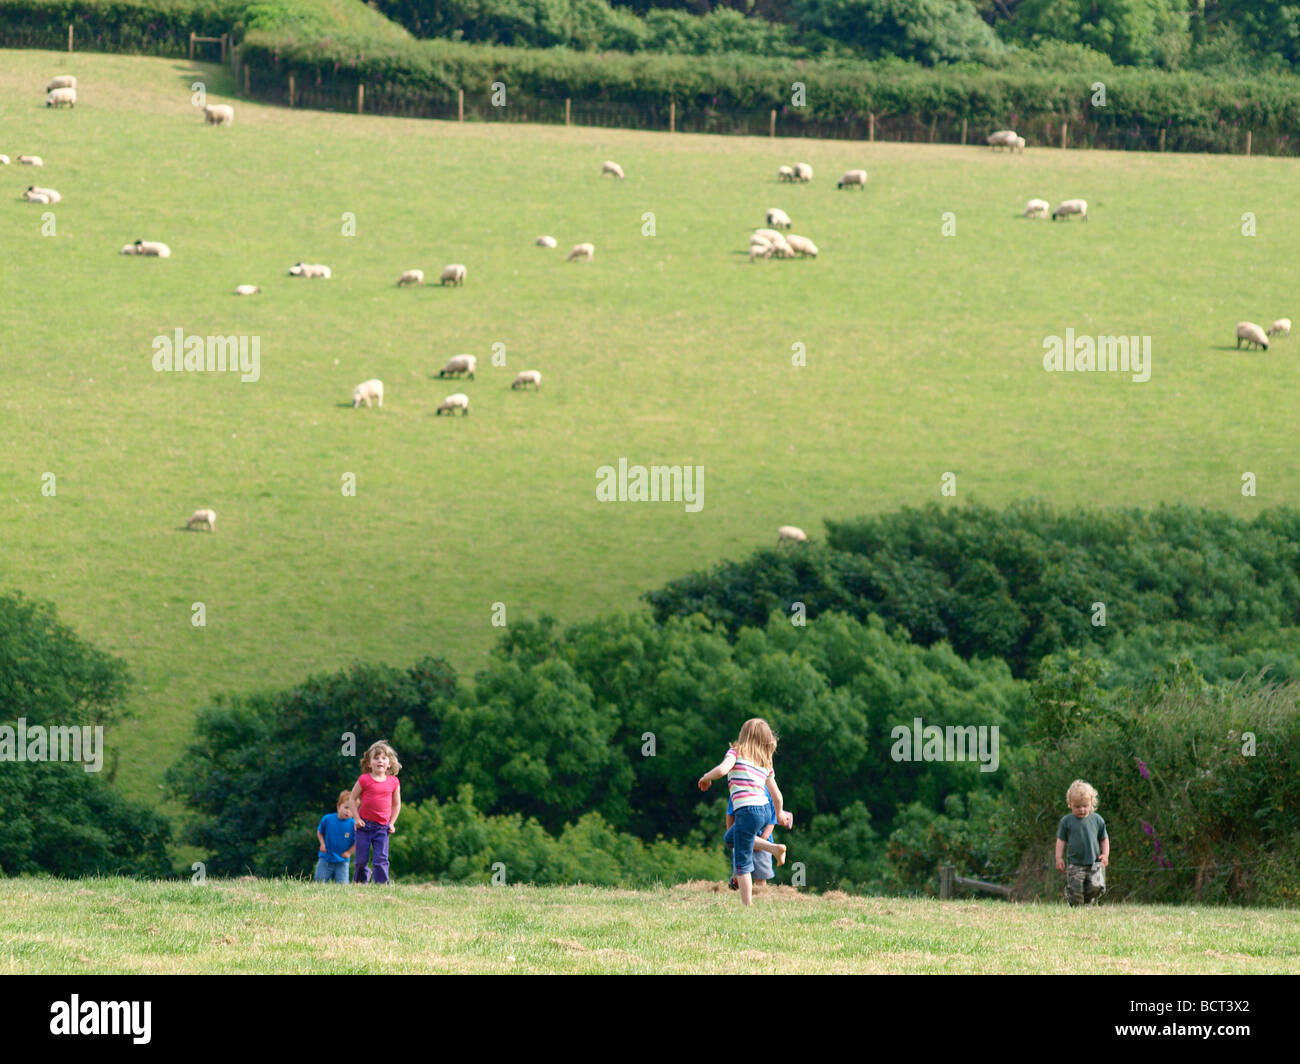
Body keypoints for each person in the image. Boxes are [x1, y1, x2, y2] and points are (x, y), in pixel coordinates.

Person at [698, 718, 792, 906]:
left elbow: (723, 770)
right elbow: (778, 796)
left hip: (748, 811)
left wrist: (706, 777)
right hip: (764, 810)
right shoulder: (764, 763)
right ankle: (774, 848)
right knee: (730, 839)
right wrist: (779, 813)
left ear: (743, 735)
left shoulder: (736, 752)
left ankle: (746, 906)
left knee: (742, 863)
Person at [350, 740, 402, 884]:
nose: (380, 760)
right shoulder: (364, 780)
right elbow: (352, 799)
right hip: (364, 827)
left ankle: (382, 885)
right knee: (361, 860)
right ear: (369, 763)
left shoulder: (394, 782)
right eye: (376, 758)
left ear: (389, 763)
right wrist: (356, 818)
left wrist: (392, 823)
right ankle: (360, 883)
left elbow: (396, 805)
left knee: (380, 859)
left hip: (382, 828)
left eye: (384, 758)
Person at [1056, 779, 1109, 906]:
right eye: (1077, 806)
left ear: (1092, 803)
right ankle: (1077, 908)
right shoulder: (1066, 821)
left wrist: (1105, 855)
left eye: (1085, 806)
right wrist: (1058, 858)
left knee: (1097, 886)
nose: (1082, 809)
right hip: (1075, 863)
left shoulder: (1097, 820)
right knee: (1076, 890)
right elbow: (1061, 840)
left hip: (1095, 862)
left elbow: (1104, 838)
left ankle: (1088, 902)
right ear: (1070, 804)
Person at [724, 788, 781, 891]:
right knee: (740, 874)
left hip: (762, 842)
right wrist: (731, 837)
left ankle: (760, 899)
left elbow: (772, 818)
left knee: (761, 877)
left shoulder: (767, 791)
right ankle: (735, 884)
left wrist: (764, 838)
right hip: (741, 839)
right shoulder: (737, 790)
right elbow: (730, 814)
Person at [314, 791, 356, 883]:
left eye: (352, 809)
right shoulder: (328, 819)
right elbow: (320, 831)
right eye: (346, 807)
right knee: (319, 882)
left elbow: (357, 842)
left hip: (342, 861)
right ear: (338, 806)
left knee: (343, 885)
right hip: (326, 858)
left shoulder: (354, 825)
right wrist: (322, 844)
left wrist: (349, 852)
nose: (348, 811)